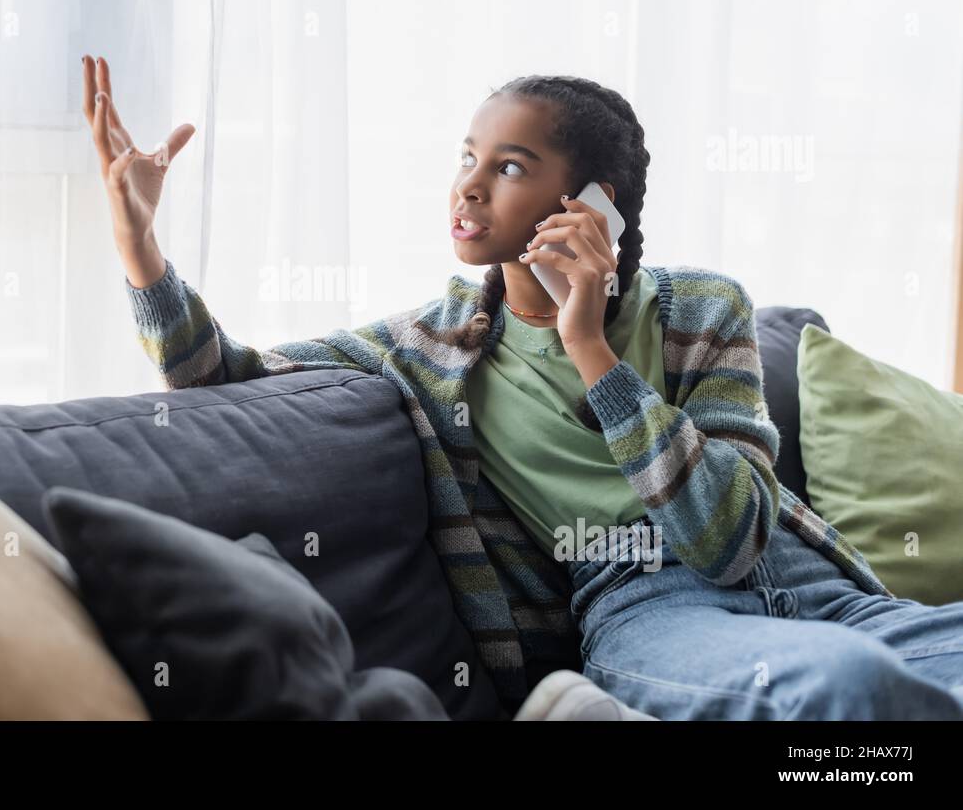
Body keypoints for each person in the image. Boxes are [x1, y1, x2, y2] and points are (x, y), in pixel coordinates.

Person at [80, 53, 963, 721]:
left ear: (592, 202)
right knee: (852, 694)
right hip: (648, 605)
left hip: (813, 586)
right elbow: (221, 379)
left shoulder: (703, 307)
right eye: (468, 155)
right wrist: (139, 249)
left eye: (507, 165)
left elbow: (735, 530)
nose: (467, 183)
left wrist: (592, 348)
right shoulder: (429, 349)